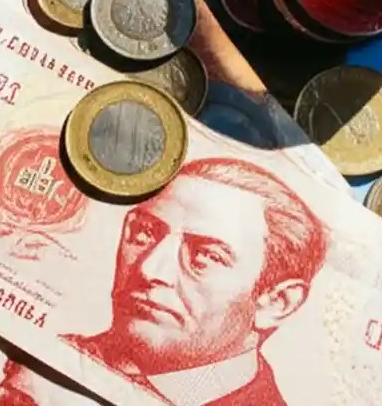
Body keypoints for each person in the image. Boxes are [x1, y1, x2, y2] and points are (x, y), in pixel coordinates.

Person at [60, 157, 329, 406]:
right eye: (144, 233)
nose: (150, 269)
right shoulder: (53, 354)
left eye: (205, 256)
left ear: (277, 303)